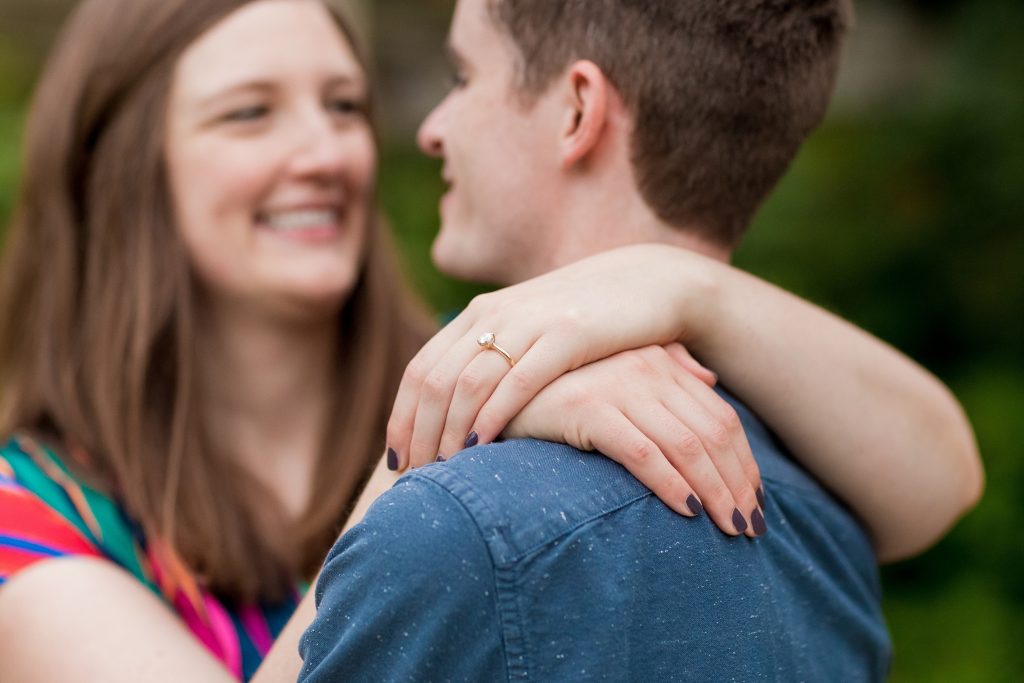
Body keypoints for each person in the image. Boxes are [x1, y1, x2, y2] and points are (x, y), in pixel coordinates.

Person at [0, 0, 979, 682]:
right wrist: (450, 436)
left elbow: (935, 481)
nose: (327, 152)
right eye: (249, 112)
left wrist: (680, 288)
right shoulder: (28, 515)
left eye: (344, 104)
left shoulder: (488, 365)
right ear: (123, 166)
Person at [299, 0, 983, 681]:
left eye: (461, 76)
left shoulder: (450, 530)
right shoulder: (834, 516)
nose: (430, 130)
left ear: (576, 110)